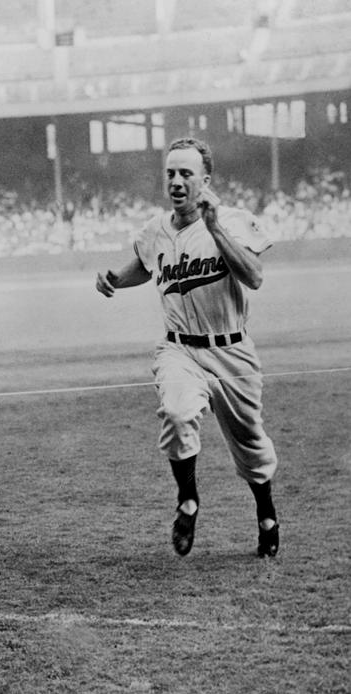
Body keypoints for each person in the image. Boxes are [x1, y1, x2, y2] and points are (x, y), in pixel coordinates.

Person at [95, 137, 279, 559]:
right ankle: (188, 501)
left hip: (232, 350)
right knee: (177, 414)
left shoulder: (232, 220)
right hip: (179, 349)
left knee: (250, 443)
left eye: (186, 174)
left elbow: (254, 276)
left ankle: (266, 513)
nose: (176, 182)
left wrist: (215, 229)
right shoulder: (155, 230)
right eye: (170, 173)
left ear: (205, 180)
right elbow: (145, 265)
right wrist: (114, 280)